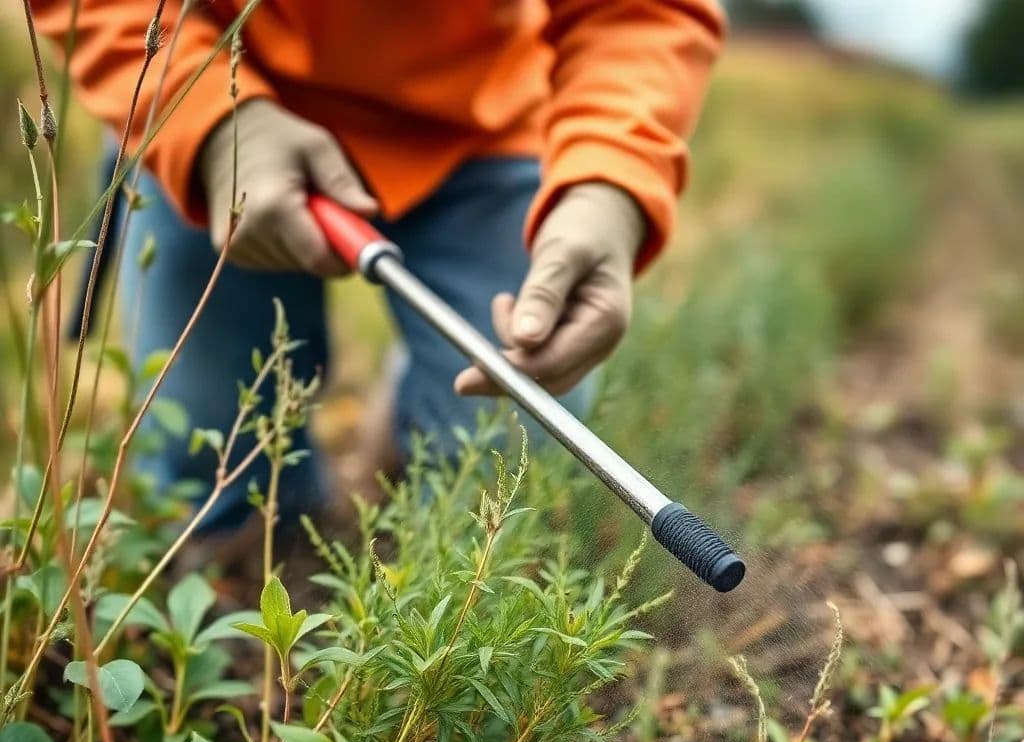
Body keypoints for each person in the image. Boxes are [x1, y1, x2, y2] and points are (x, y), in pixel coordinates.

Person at [33, 0, 725, 535]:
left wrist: (608, 184)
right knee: (208, 461)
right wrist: (208, 122)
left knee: (499, 472)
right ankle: (247, 551)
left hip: (477, 125)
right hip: (213, 88)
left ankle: (408, 414)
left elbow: (640, 13)